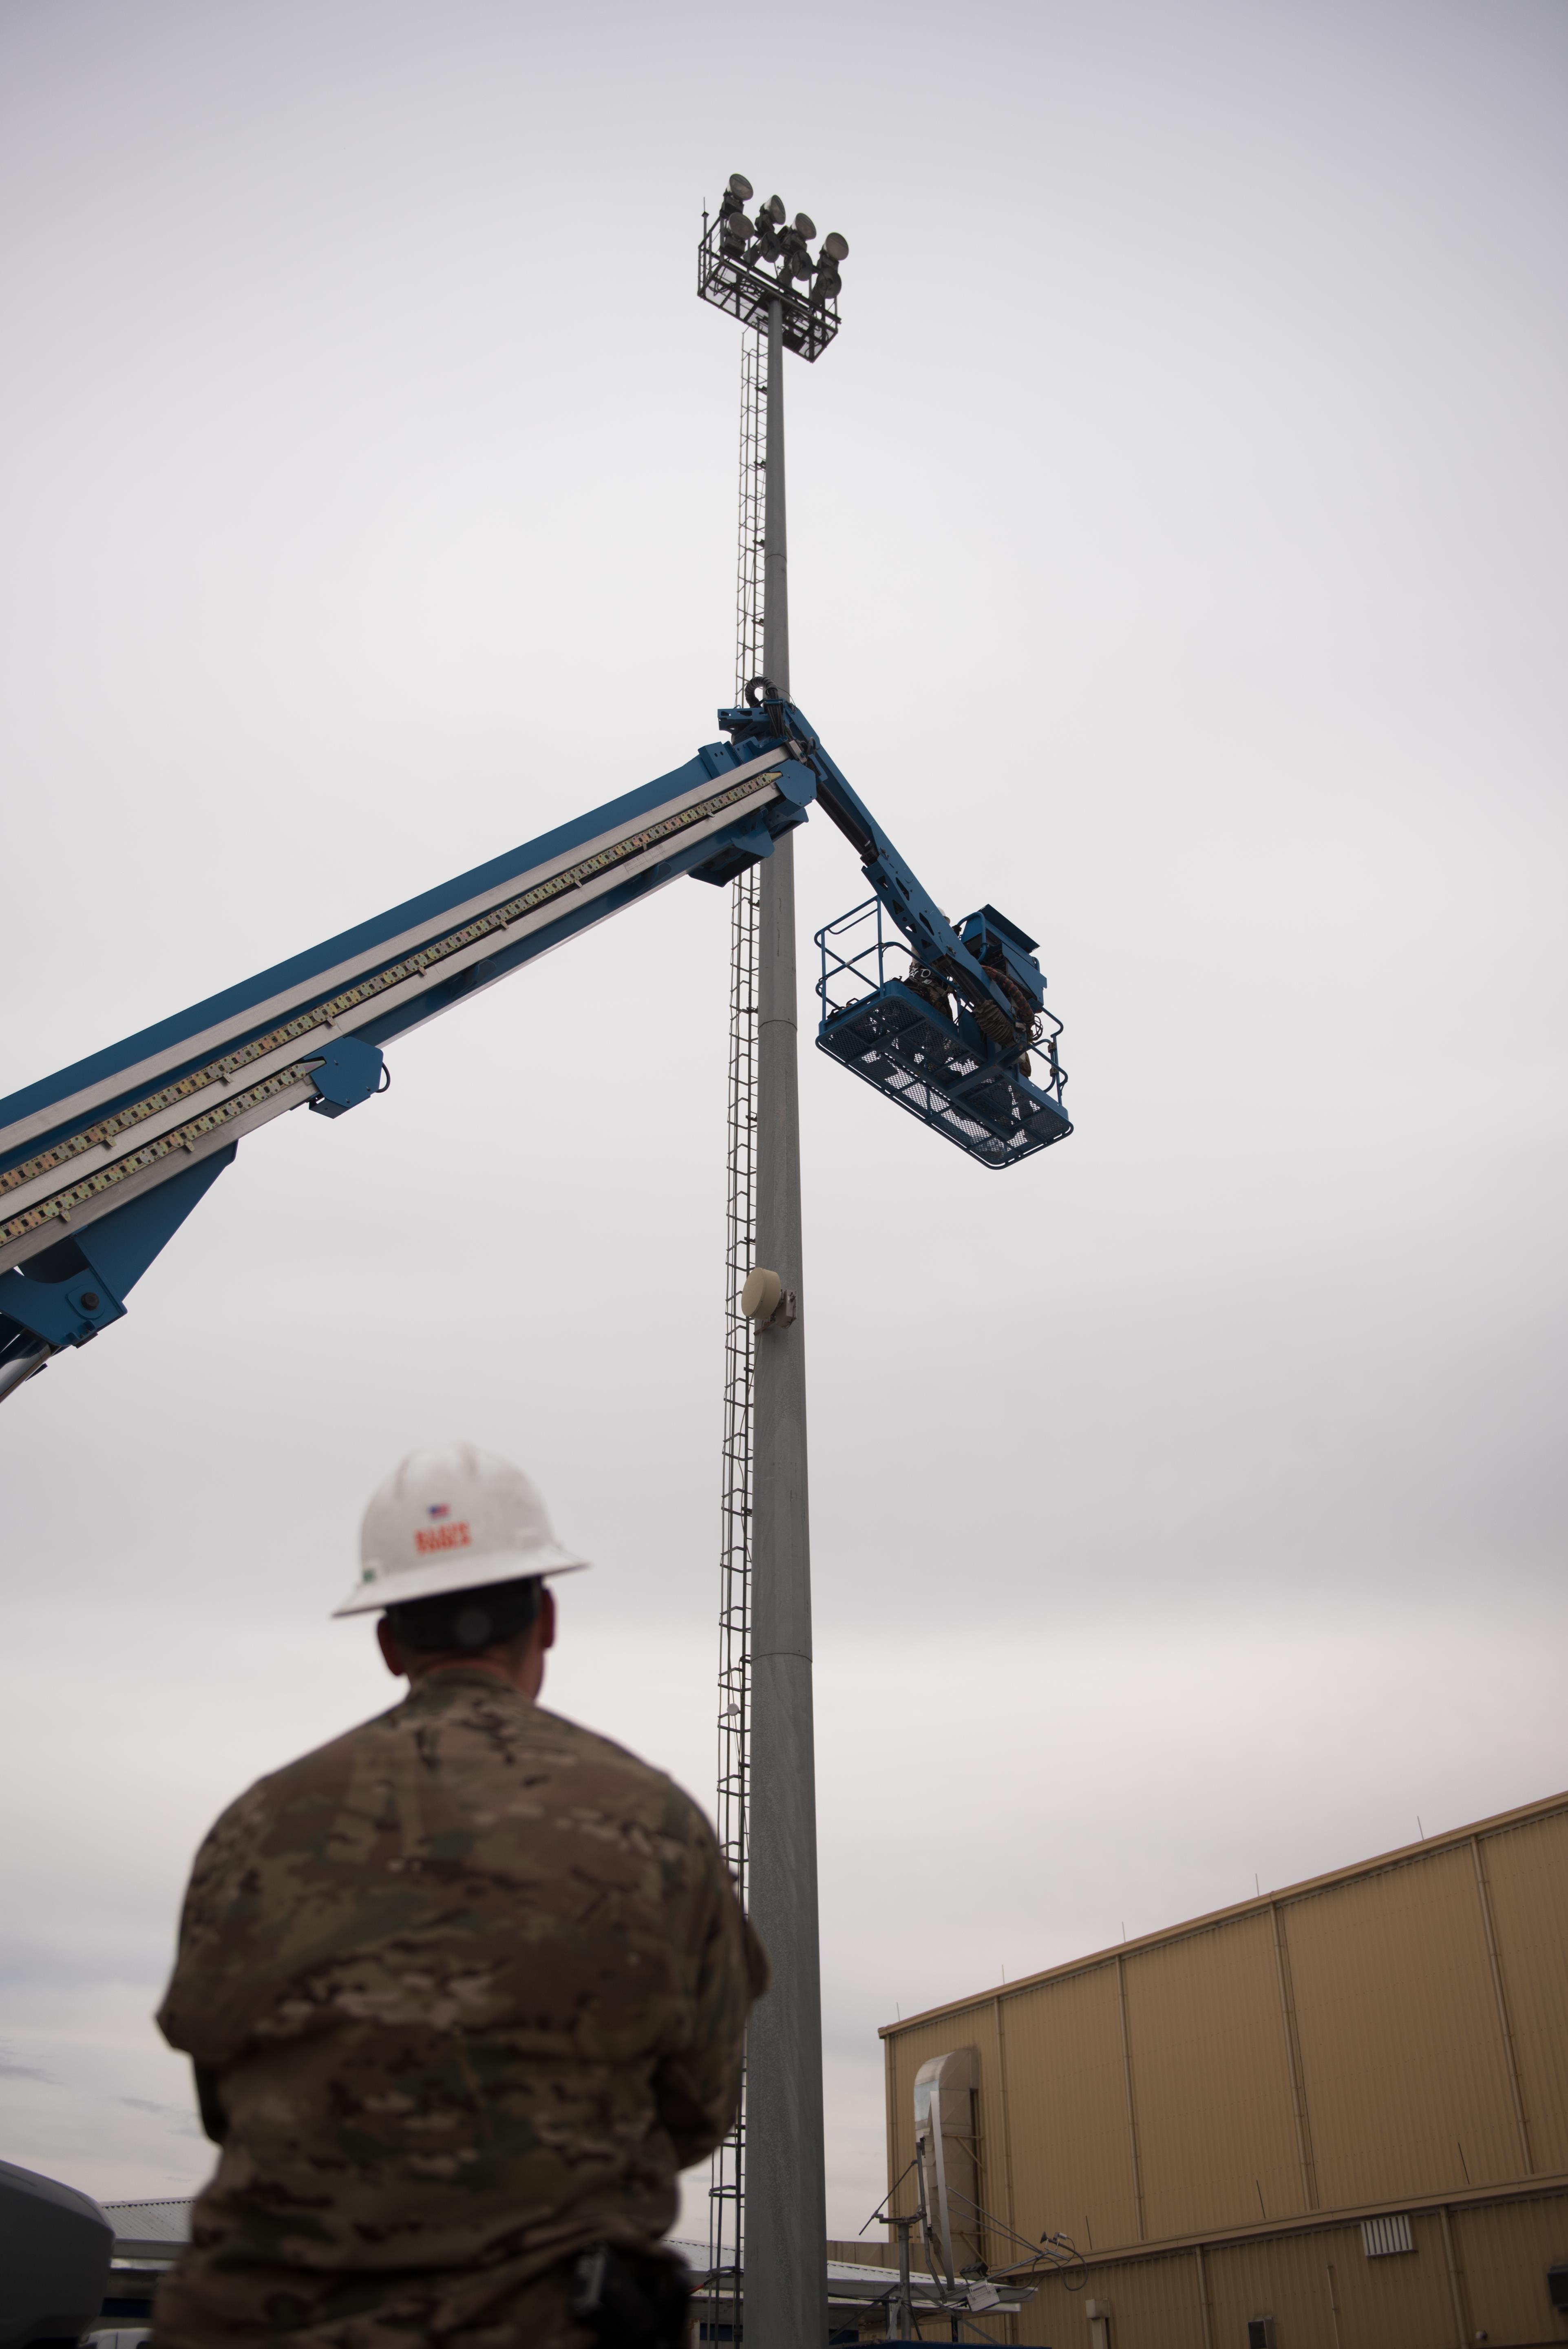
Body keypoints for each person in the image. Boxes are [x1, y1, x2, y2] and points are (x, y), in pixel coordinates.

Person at [152, 1443, 766, 2349]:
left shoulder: (257, 1824)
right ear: (546, 1618)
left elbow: (226, 2098)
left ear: (389, 1638)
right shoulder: (655, 1824)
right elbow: (697, 2108)